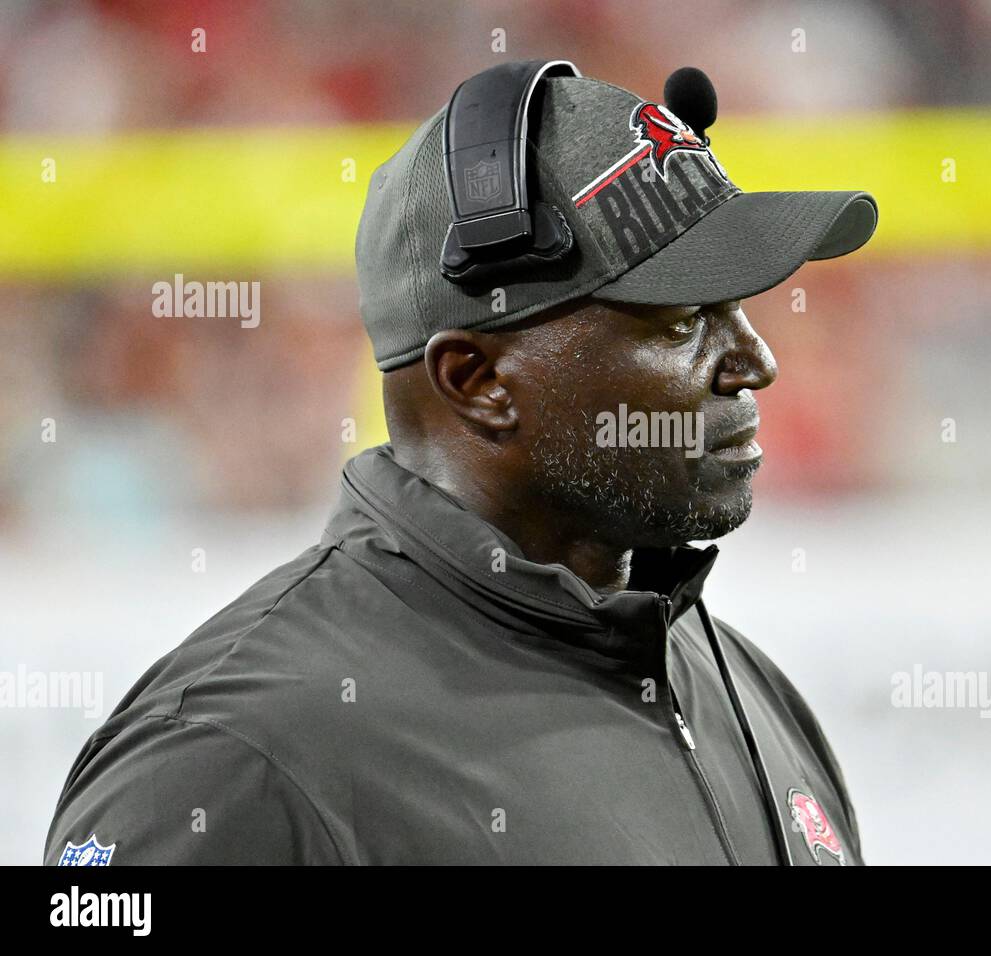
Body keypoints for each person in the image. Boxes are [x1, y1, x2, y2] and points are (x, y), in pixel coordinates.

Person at [46, 60, 877, 865]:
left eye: (737, 308)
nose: (754, 361)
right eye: (680, 320)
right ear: (477, 382)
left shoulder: (745, 691)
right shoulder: (234, 758)